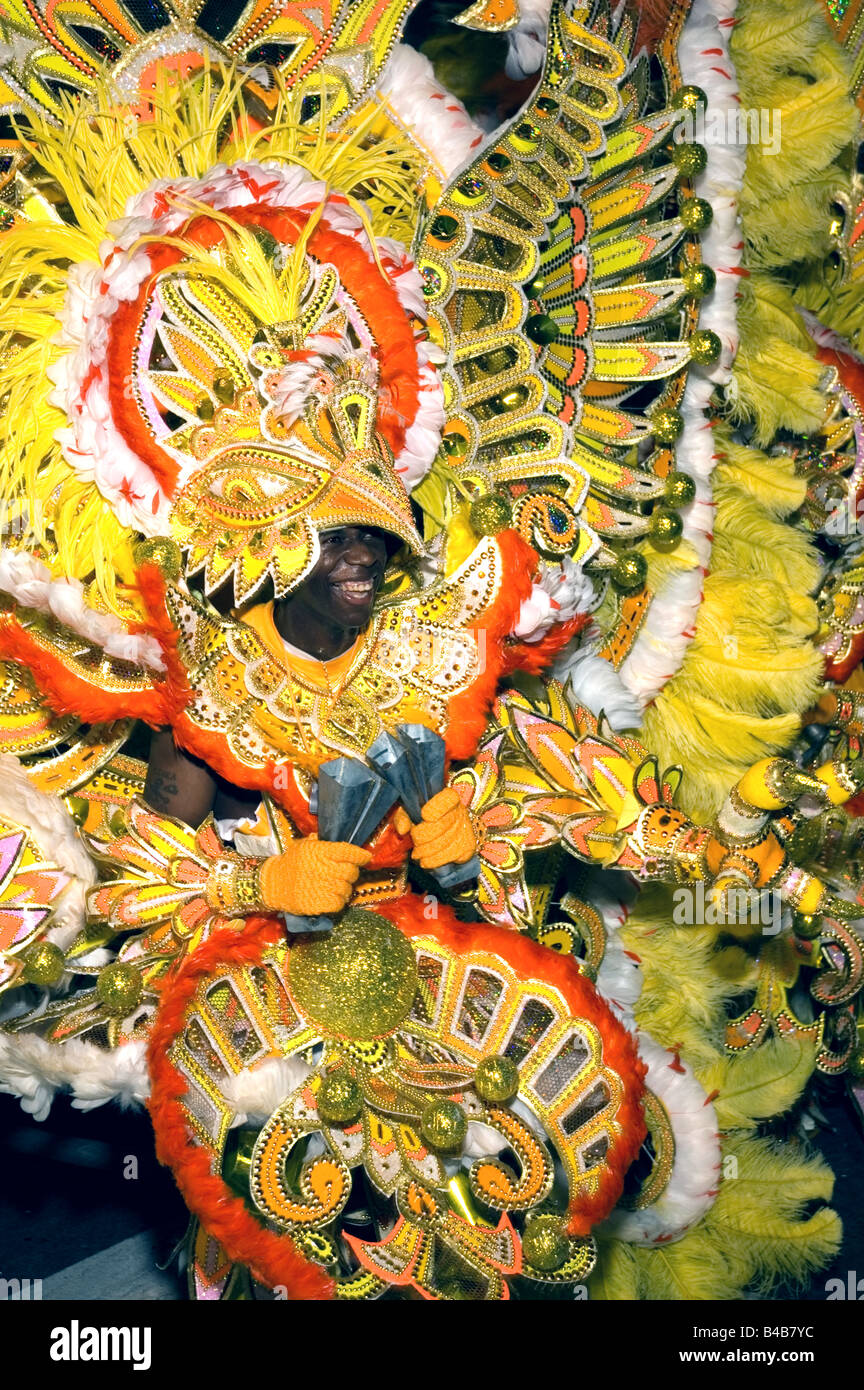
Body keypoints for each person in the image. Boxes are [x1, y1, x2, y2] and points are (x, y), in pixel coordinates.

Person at [143, 523, 479, 924]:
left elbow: (500, 835)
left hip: (413, 940)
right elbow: (150, 875)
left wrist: (464, 842)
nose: (365, 557)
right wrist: (263, 885)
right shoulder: (210, 682)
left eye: (372, 536)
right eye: (334, 540)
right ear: (271, 551)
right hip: (262, 959)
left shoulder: (426, 653)